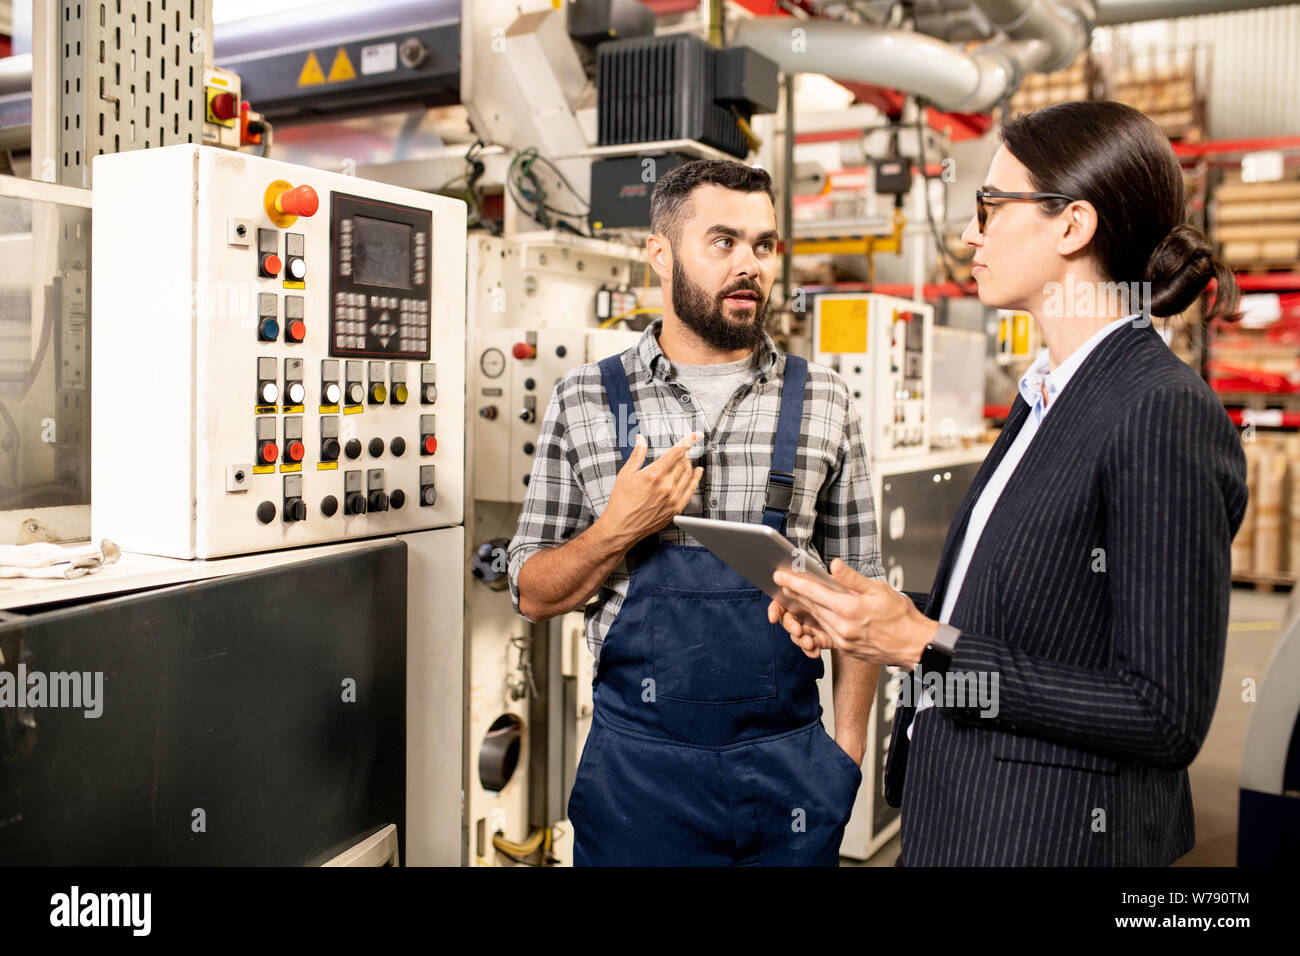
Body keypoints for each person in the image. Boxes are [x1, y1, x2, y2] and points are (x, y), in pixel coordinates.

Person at [769, 100, 1249, 866]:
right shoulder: (1049, 397)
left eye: (991, 208)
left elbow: (1162, 714)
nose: (969, 234)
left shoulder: (1158, 410)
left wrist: (925, 643)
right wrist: (879, 620)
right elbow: (1031, 620)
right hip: (965, 816)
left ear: (1072, 225)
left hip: (1046, 838)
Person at [508, 159, 884, 865]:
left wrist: (847, 754)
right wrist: (618, 529)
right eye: (723, 242)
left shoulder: (826, 400)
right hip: (638, 779)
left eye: (763, 245)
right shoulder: (585, 398)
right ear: (660, 252)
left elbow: (864, 584)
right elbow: (531, 593)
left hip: (791, 772)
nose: (749, 264)